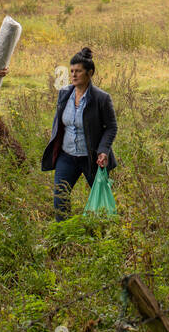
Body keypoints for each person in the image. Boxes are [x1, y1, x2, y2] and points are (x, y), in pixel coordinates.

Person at [41, 47, 117, 221]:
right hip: (66, 156)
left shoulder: (101, 98)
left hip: (91, 158)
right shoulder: (64, 94)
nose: (74, 75)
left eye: (78, 71)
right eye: (72, 71)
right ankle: (64, 234)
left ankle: (103, 233)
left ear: (89, 73)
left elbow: (111, 127)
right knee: (60, 198)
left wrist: (103, 150)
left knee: (101, 201)